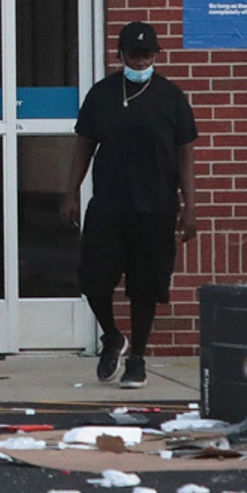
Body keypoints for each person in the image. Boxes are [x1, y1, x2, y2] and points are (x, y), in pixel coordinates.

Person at [60, 22, 199, 389]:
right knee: (93, 279)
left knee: (145, 286)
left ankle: (137, 357)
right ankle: (111, 336)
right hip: (109, 203)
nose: (140, 60)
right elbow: (83, 145)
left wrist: (190, 205)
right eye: (134, 54)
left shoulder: (171, 96)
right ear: (119, 55)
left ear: (156, 56)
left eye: (147, 54)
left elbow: (185, 152)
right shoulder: (102, 94)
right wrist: (71, 192)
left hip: (156, 206)